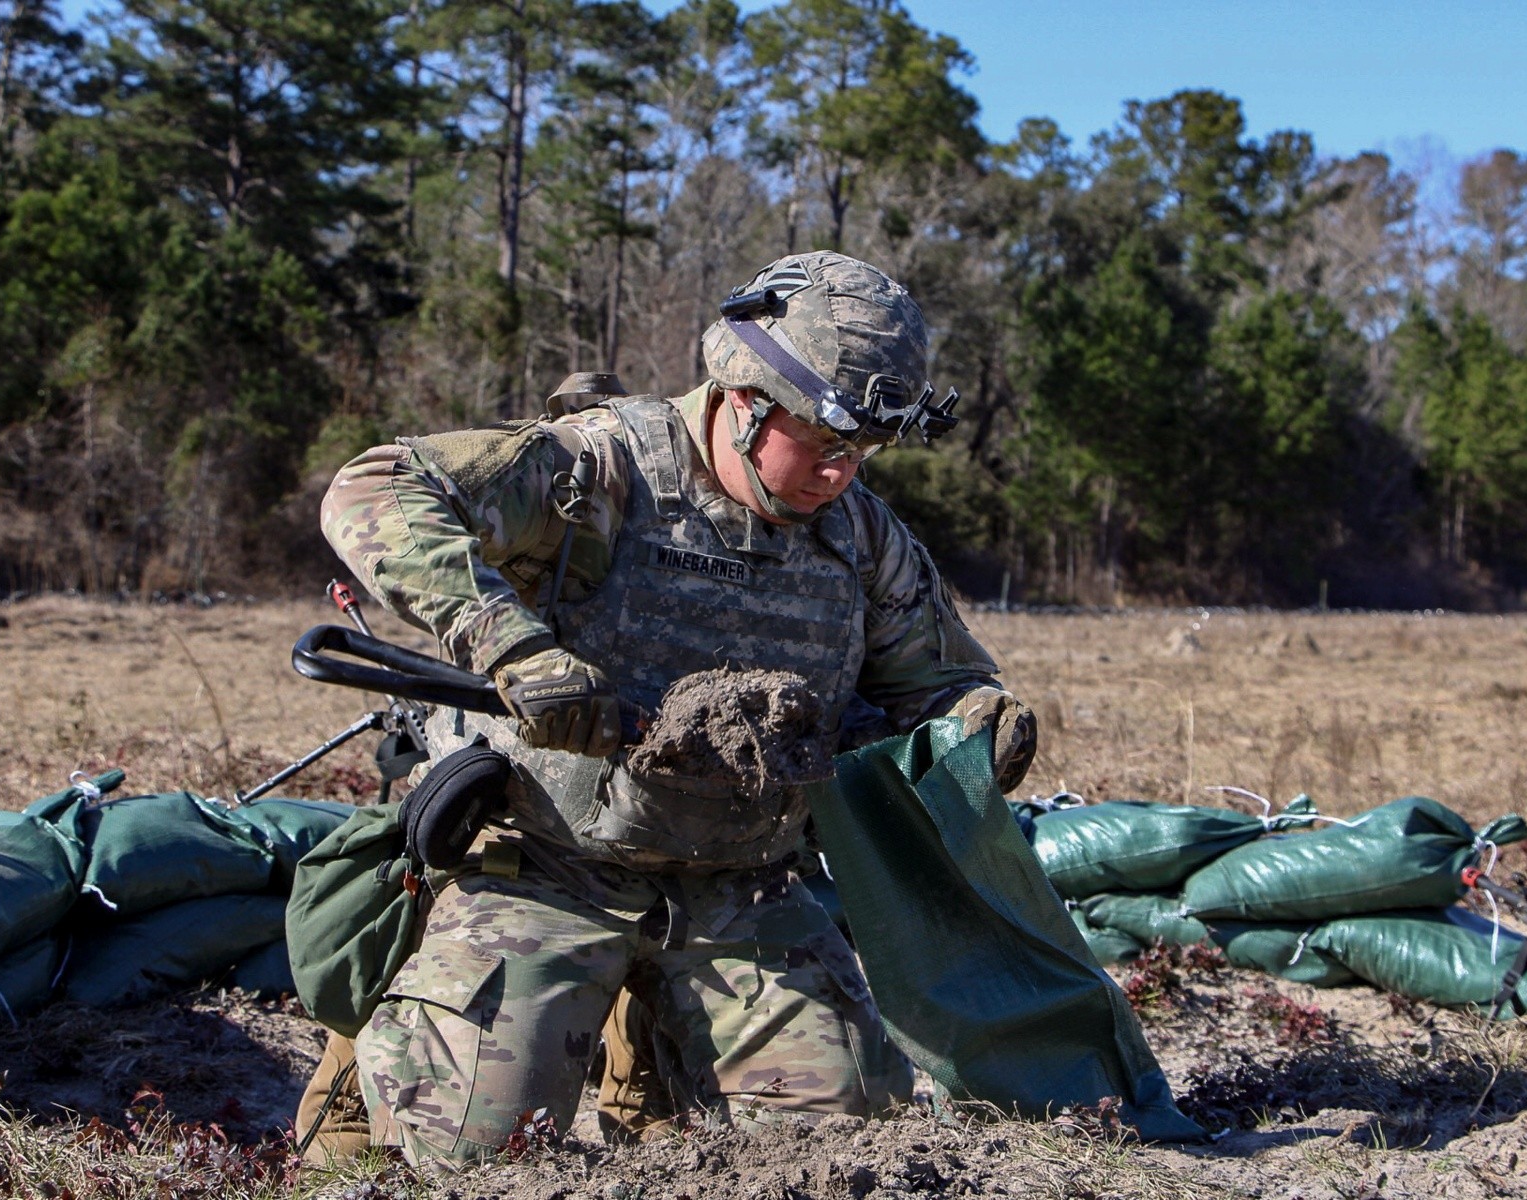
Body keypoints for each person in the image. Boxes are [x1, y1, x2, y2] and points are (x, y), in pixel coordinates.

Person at [317, 250, 1037, 1167]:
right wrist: (514, 647)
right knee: (467, 1151)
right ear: (744, 400)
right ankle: (381, 1052)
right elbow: (375, 486)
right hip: (547, 862)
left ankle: (647, 1055)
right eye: (824, 446)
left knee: (848, 1145)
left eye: (862, 454)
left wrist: (978, 719)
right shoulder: (597, 471)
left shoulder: (861, 538)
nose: (841, 476)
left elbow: (936, 681)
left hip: (741, 885)